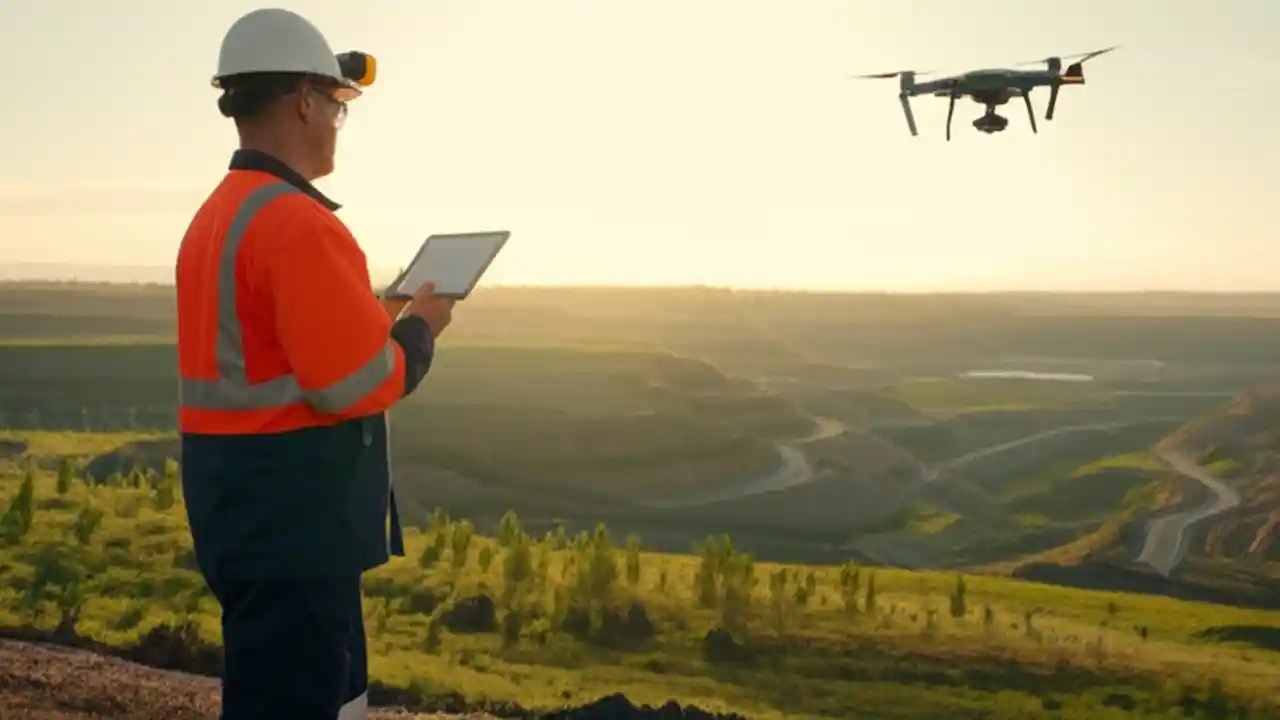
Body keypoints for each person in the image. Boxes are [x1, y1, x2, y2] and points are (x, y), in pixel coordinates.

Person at [174, 8, 453, 719]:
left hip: (241, 509)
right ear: (303, 99)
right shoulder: (299, 224)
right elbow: (356, 383)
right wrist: (419, 330)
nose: (335, 122)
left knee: (287, 693)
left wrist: (372, 321)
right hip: (295, 521)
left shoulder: (219, 215)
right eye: (335, 104)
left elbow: (277, 354)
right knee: (299, 700)